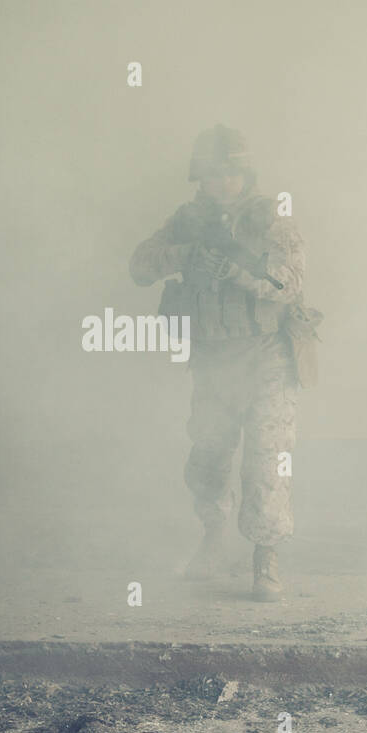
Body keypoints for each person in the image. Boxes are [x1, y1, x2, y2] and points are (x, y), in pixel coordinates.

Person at [130, 125, 307, 601]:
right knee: (207, 460)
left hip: (266, 359)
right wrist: (186, 253)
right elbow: (139, 266)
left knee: (267, 464)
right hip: (213, 363)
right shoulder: (186, 221)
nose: (223, 182)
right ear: (199, 177)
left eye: (232, 172)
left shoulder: (270, 220)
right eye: (213, 174)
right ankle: (213, 537)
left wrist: (242, 269)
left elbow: (290, 285)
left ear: (245, 174)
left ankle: (265, 559)